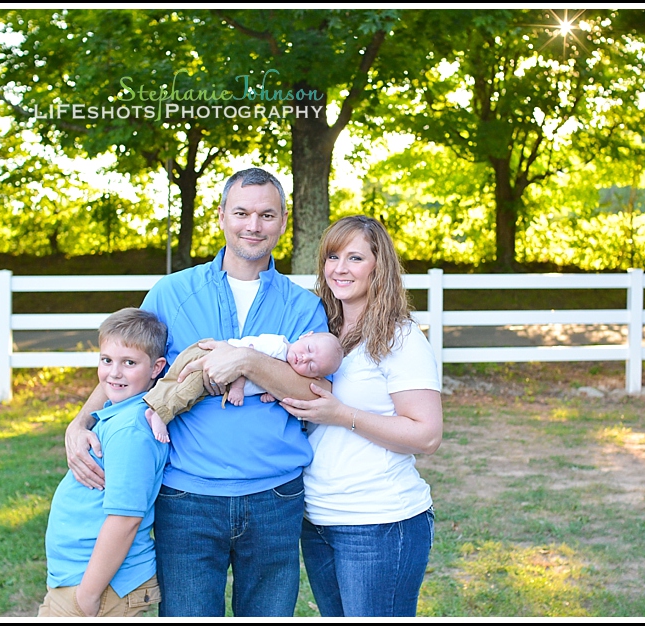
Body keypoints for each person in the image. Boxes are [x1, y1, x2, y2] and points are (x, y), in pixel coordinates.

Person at [64, 167, 331, 617]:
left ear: (283, 221)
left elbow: (313, 391)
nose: (253, 225)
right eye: (242, 212)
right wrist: (81, 420)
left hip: (275, 496)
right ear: (221, 216)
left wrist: (246, 361)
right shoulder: (172, 292)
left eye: (267, 214)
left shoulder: (303, 305)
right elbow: (129, 366)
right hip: (186, 496)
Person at [278, 215, 444, 617]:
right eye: (332, 256)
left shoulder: (399, 338)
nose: (339, 268)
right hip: (317, 518)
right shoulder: (319, 333)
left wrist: (343, 414)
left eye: (355, 258)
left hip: (379, 521)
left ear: (378, 265)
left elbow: (427, 435)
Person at [39, 307, 168, 617]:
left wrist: (88, 596)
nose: (114, 373)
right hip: (83, 579)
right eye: (107, 360)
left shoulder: (131, 431)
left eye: (130, 363)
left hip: (103, 587)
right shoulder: (118, 414)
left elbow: (125, 520)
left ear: (156, 367)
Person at [143, 331, 344, 443]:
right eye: (308, 349)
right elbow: (242, 358)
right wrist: (238, 388)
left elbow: (266, 379)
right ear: (305, 336)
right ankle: (160, 414)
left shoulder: (286, 369)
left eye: (311, 365)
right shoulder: (278, 347)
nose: (303, 358)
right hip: (206, 355)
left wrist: (270, 393)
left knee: (181, 390)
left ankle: (156, 409)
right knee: (186, 389)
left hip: (215, 372)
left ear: (315, 376)